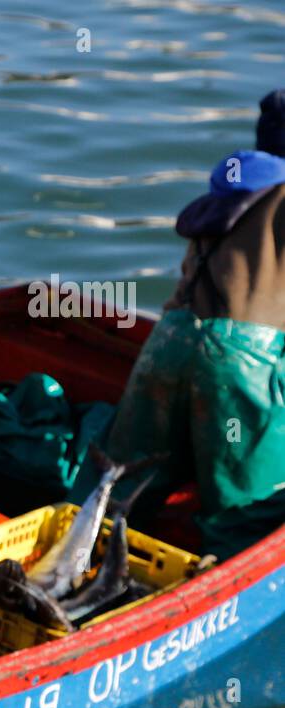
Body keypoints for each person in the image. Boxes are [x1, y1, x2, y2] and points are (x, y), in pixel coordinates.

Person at [72, 88, 285, 557]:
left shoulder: (239, 185)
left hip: (169, 341)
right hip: (242, 361)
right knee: (241, 517)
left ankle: (80, 571)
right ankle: (217, 598)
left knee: (119, 487)